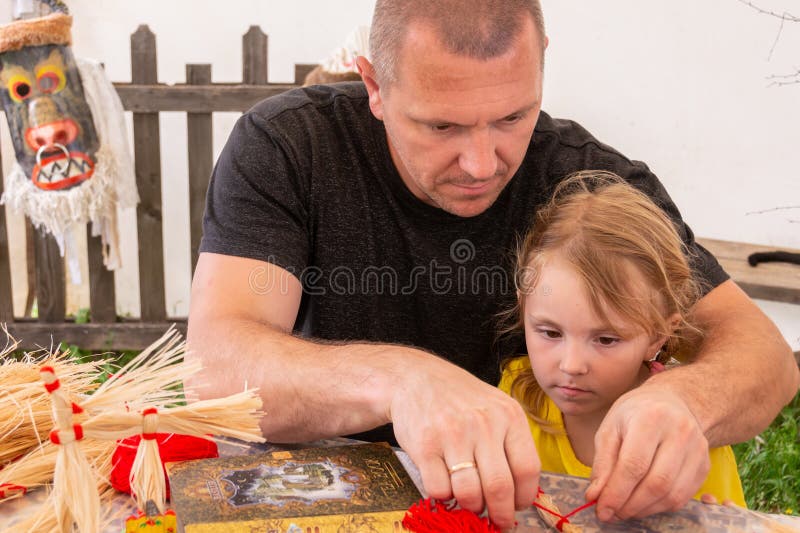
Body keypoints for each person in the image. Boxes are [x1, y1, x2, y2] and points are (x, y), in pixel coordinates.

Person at [186, 0, 799, 528]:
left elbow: (763, 355)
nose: (482, 163)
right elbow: (214, 367)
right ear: (374, 85)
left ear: (541, 64)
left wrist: (688, 399)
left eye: (512, 117)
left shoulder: (591, 184)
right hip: (324, 500)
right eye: (442, 125)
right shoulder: (291, 146)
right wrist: (401, 382)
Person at [497, 171, 746, 508]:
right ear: (523, 308)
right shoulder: (514, 397)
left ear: (658, 334)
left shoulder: (682, 434)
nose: (572, 365)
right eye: (551, 333)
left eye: (606, 339)